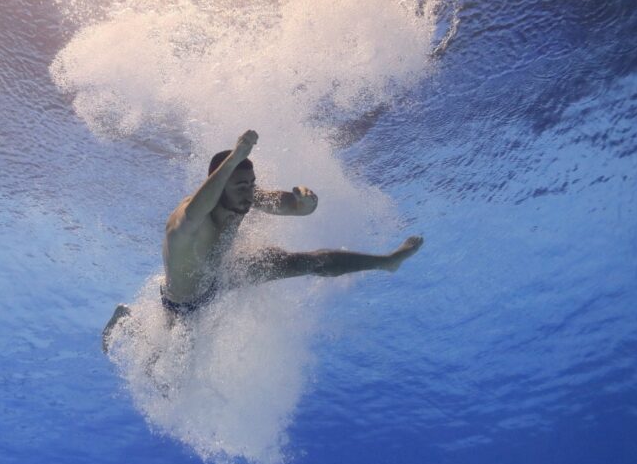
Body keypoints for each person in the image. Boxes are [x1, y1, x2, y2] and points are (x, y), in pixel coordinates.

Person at [103, 130, 421, 350]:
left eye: (251, 184)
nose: (249, 192)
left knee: (305, 261)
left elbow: (279, 203)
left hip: (224, 275)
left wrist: (303, 206)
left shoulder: (241, 197)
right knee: (169, 381)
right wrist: (238, 153)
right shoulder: (186, 220)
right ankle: (128, 323)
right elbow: (195, 211)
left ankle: (387, 262)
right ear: (221, 183)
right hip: (183, 304)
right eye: (240, 185)